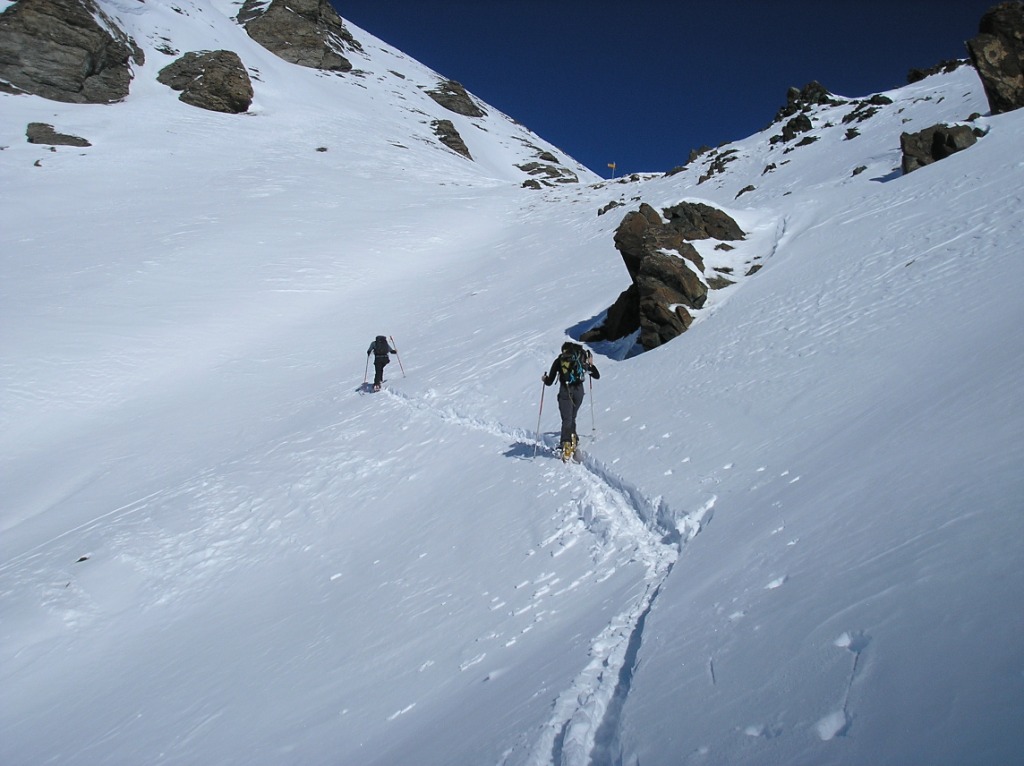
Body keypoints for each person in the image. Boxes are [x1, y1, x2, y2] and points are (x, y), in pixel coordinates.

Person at [542, 341, 600, 460]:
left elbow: (549, 382)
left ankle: (566, 443)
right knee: (572, 416)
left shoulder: (559, 361)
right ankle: (573, 437)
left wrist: (545, 379)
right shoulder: (582, 358)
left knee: (566, 418)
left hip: (565, 390)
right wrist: (590, 364)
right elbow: (596, 375)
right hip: (579, 391)